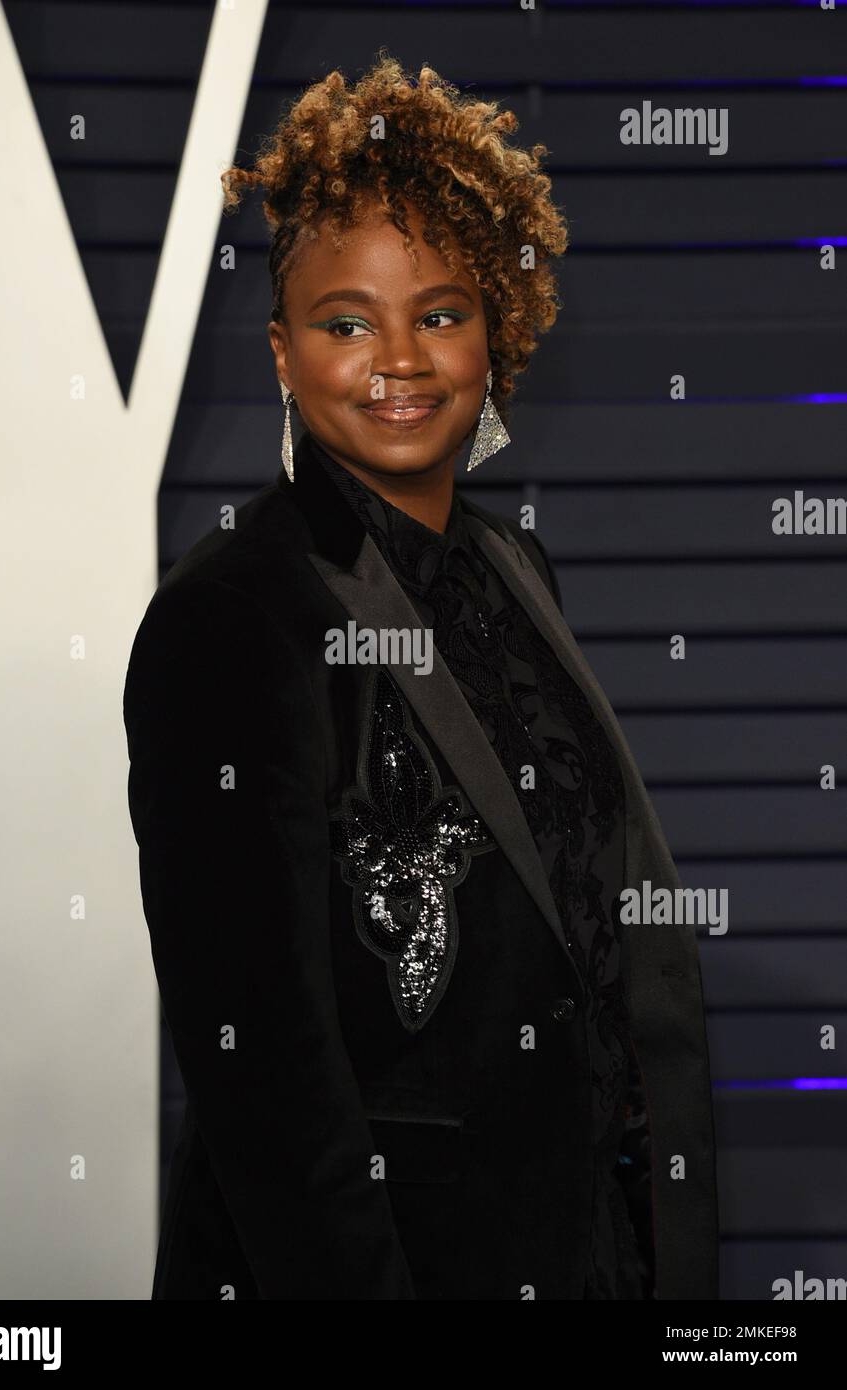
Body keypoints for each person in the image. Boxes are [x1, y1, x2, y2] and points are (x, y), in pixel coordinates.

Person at [122, 54, 719, 1300]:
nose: (399, 356)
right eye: (347, 321)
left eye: (440, 312)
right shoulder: (229, 617)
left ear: (493, 330)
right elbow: (268, 1089)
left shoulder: (514, 567)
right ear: (283, 354)